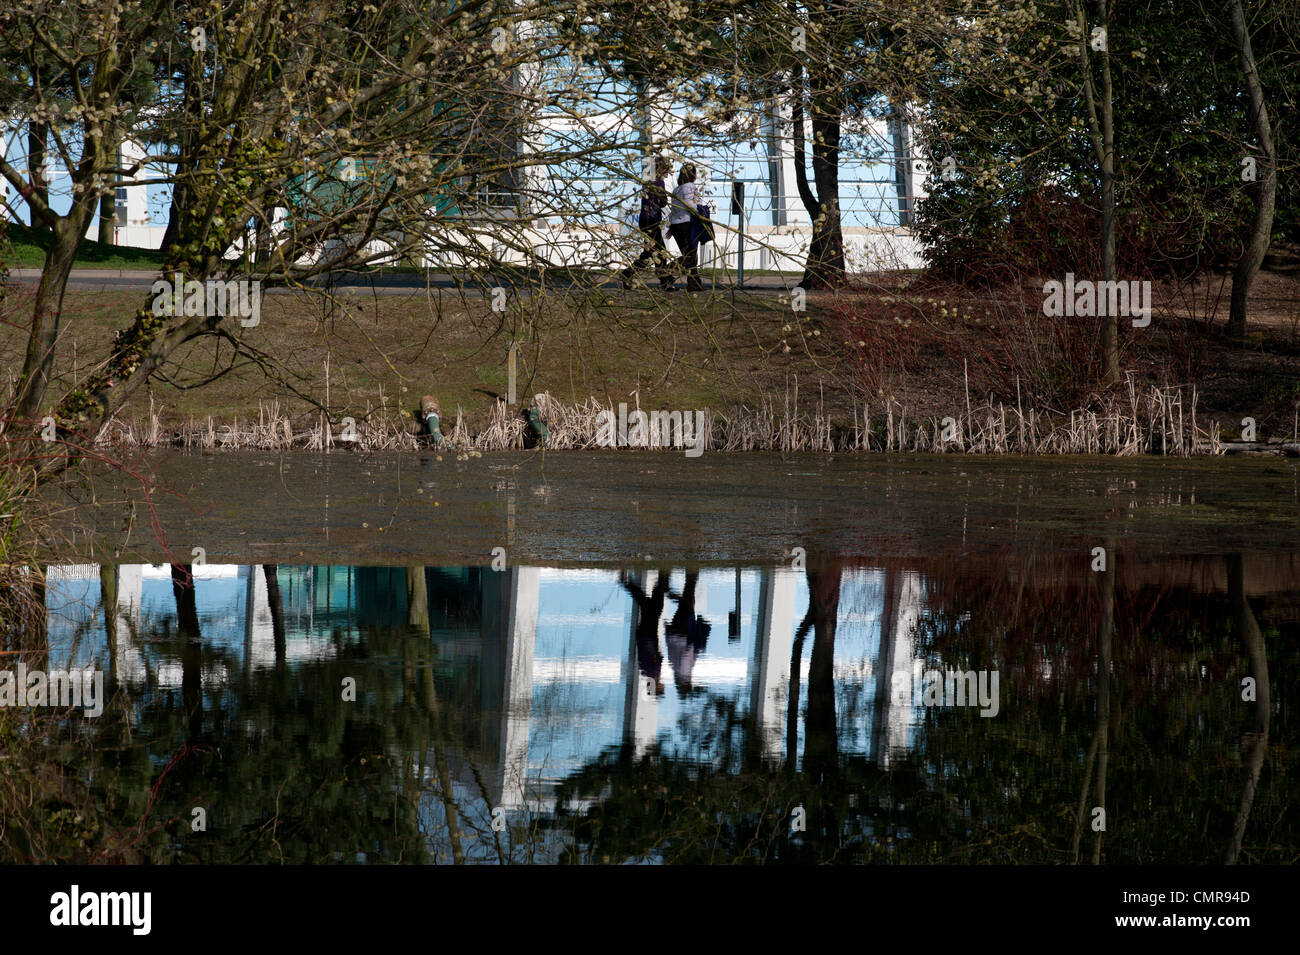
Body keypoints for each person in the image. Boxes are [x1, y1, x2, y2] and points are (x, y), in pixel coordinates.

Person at [621, 155, 675, 290]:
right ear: (661, 170)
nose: (668, 175)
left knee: (650, 252)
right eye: (667, 171)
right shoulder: (659, 182)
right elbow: (662, 202)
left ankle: (629, 273)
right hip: (652, 221)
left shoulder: (647, 180)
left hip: (645, 219)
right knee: (660, 252)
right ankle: (664, 281)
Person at [667, 162, 705, 292]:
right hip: (686, 224)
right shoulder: (690, 186)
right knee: (691, 256)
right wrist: (700, 211)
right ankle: (668, 270)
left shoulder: (676, 189)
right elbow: (690, 203)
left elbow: (673, 209)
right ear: (692, 174)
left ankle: (694, 284)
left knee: (689, 255)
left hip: (677, 225)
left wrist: (671, 227)